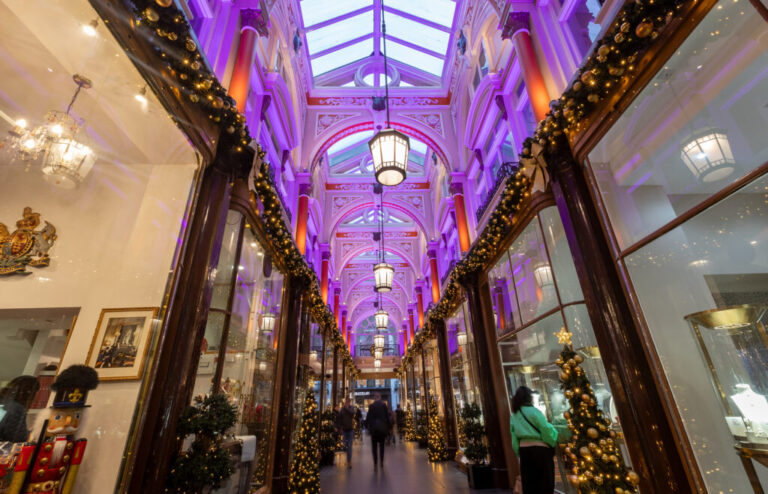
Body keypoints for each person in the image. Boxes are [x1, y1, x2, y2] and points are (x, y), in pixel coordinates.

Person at [509, 386, 558, 494]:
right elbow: (545, 429)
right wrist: (552, 440)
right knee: (545, 481)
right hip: (540, 450)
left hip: (524, 451)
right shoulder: (535, 412)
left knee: (529, 483)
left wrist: (519, 452)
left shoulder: (514, 415)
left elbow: (514, 437)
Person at [0, 375, 40, 443]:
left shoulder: (4, 401)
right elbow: (18, 438)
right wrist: (34, 433)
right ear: (29, 394)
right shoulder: (17, 409)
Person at [365, 392, 391, 468]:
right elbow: (387, 417)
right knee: (382, 446)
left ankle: (375, 463)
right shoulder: (383, 405)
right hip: (382, 429)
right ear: (380, 397)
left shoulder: (371, 406)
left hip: (374, 429)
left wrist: (367, 426)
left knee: (374, 446)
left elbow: (368, 417)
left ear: (374, 398)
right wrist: (389, 427)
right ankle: (381, 462)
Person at [339, 398, 356, 468]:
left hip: (350, 430)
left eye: (348, 402)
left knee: (349, 446)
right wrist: (340, 428)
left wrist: (347, 409)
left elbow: (352, 414)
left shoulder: (351, 408)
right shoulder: (342, 409)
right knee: (345, 445)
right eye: (346, 402)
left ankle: (349, 461)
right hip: (344, 430)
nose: (347, 403)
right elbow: (340, 418)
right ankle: (348, 459)